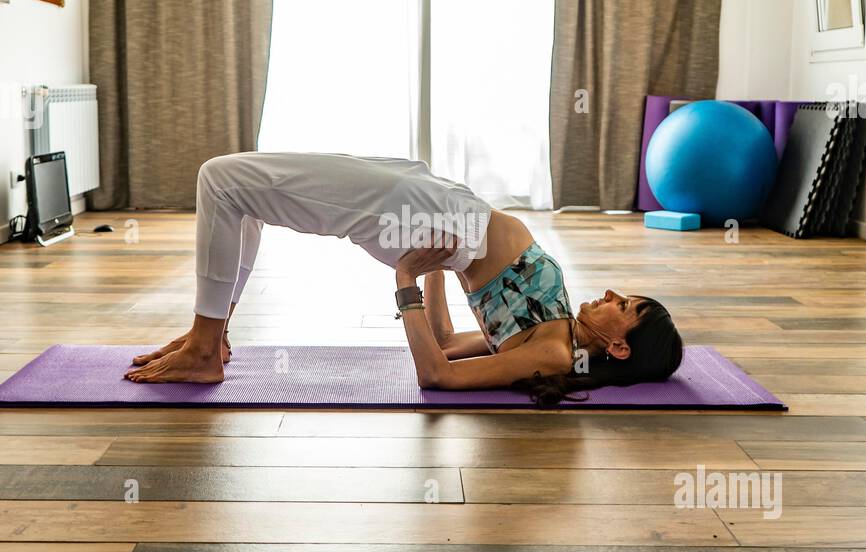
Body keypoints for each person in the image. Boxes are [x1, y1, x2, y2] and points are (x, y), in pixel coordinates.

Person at [127, 151, 683, 403]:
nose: (610, 293)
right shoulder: (559, 335)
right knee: (241, 195)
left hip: (413, 212)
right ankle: (213, 334)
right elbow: (445, 341)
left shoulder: (555, 356)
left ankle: (205, 347)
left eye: (625, 305)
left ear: (620, 345)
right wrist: (436, 269)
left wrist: (406, 280)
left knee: (223, 179)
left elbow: (437, 375)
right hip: (430, 208)